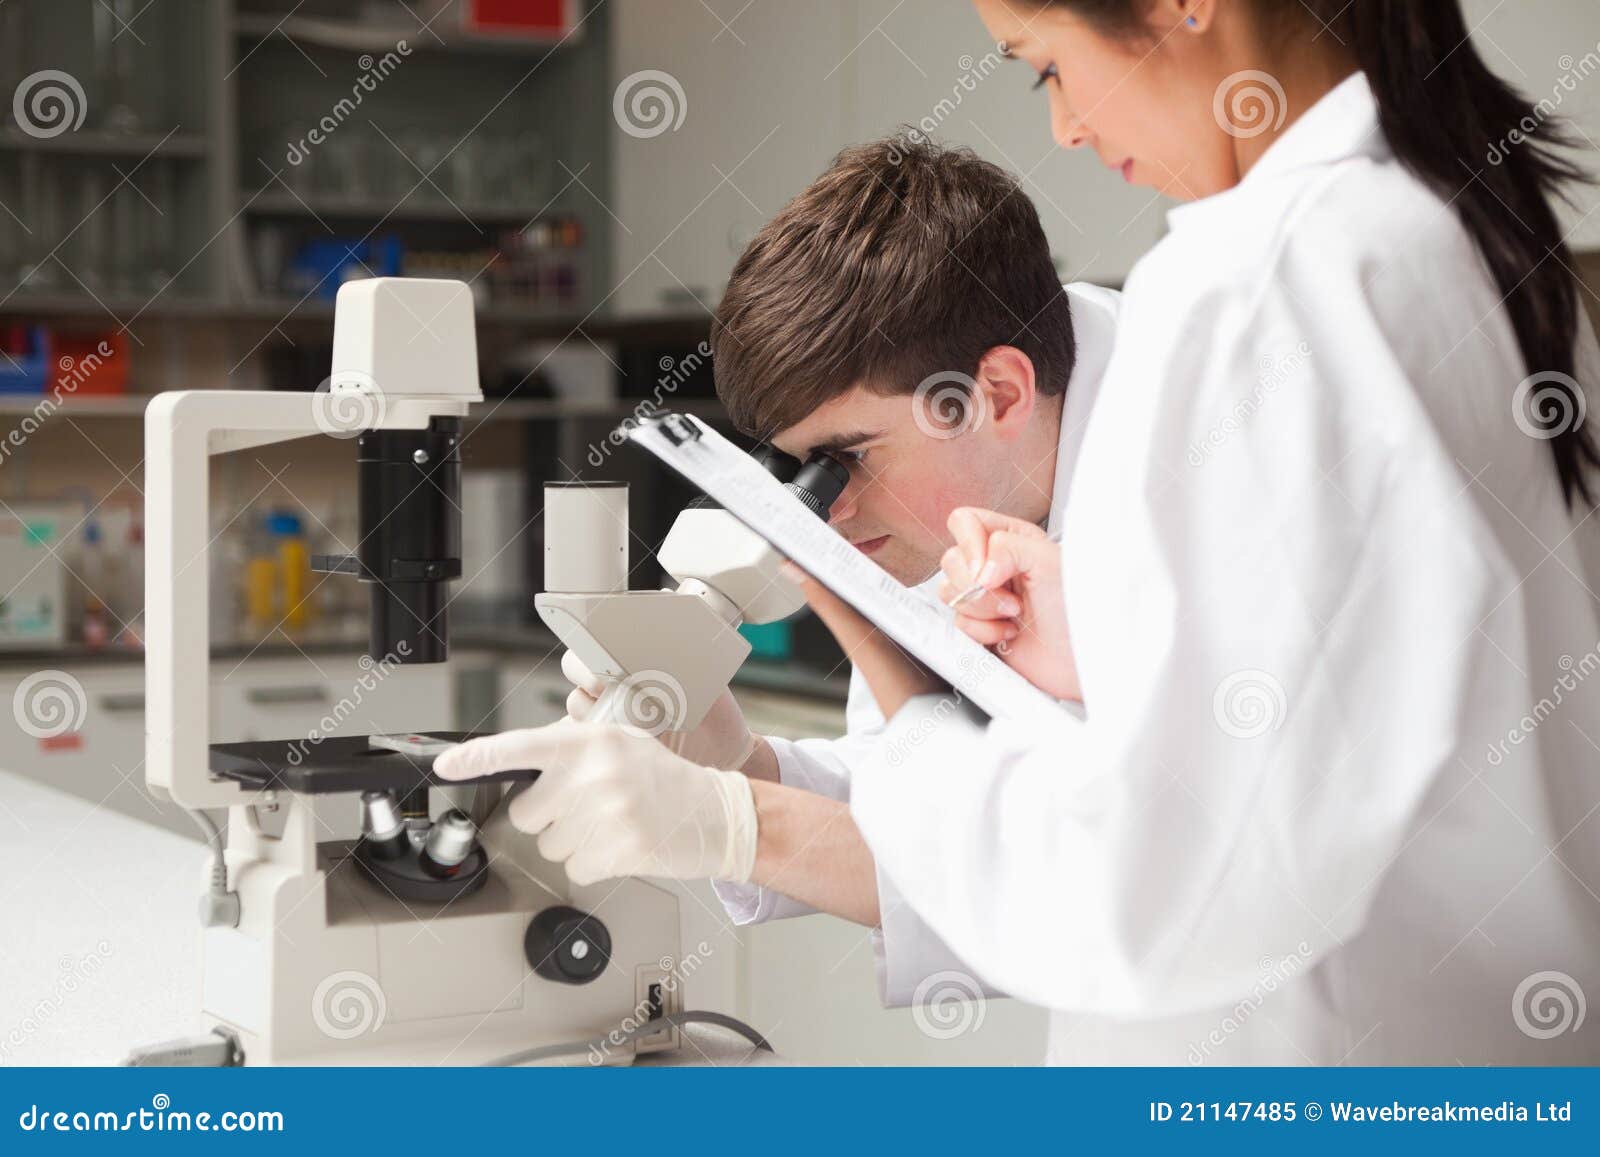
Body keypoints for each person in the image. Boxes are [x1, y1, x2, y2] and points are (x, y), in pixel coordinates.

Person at [443, 0, 1600, 1064]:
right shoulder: (1423, 236)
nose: (1064, 127)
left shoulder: (1258, 290)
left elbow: (1138, 885)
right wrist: (749, 773)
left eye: (1049, 63)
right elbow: (1075, 815)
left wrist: (739, 815)